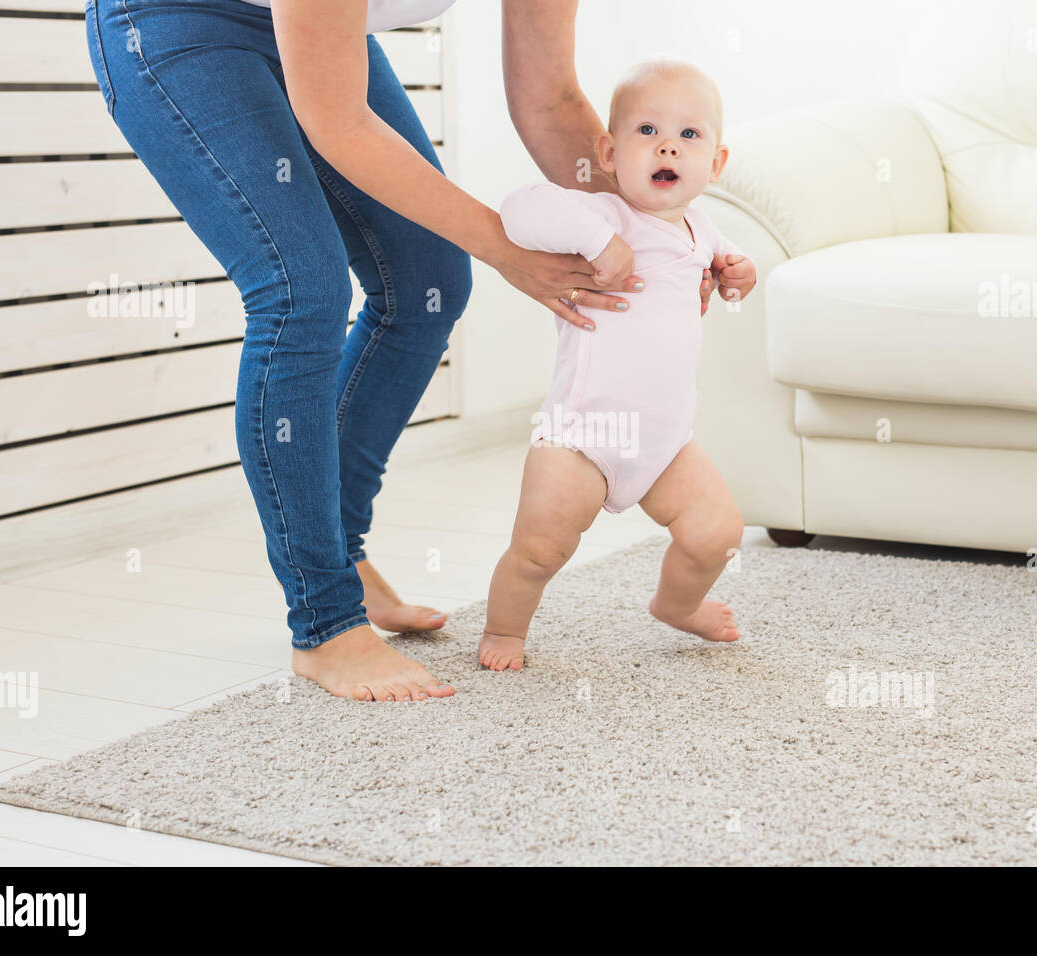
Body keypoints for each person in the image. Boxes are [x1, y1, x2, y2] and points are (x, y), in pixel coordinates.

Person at [85, 0, 726, 701]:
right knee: (302, 290)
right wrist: (505, 248)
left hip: (316, 28)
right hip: (182, 19)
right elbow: (337, 119)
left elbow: (551, 96)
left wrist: (653, 243)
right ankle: (325, 620)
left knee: (428, 281)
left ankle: (340, 553)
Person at [479, 60, 758, 671]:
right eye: (647, 130)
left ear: (715, 164)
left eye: (689, 135)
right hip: (581, 436)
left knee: (718, 533)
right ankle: (504, 630)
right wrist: (599, 243)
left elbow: (731, 279)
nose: (667, 145)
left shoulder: (704, 227)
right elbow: (520, 208)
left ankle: (677, 604)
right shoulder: (606, 215)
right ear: (608, 152)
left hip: (664, 442)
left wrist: (741, 275)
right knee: (539, 548)